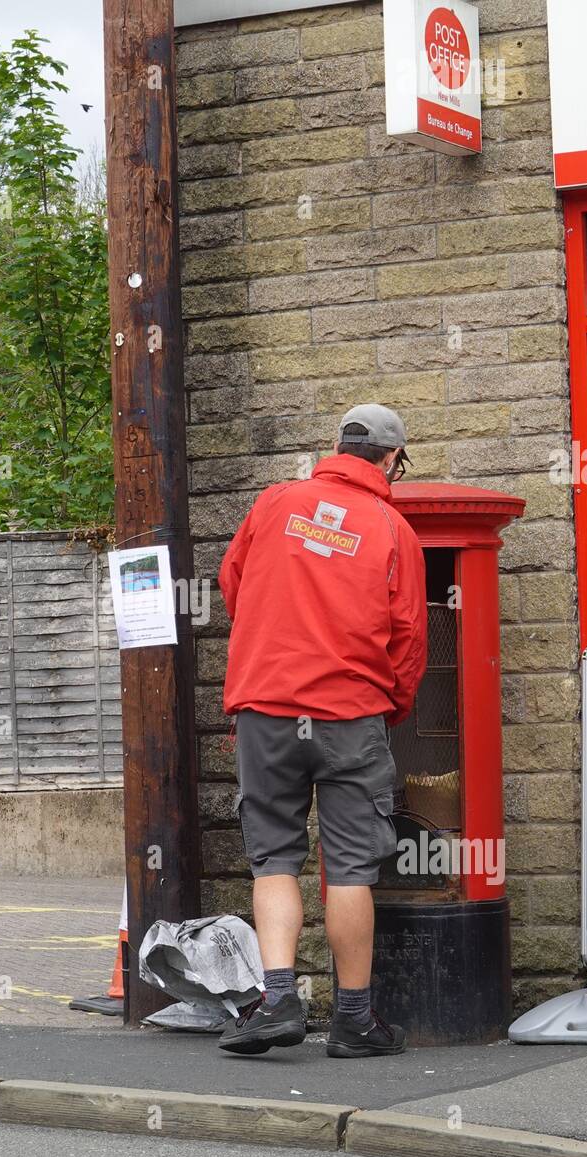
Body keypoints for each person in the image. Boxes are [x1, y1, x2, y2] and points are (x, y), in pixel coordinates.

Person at [217, 404, 428, 1059]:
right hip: (349, 714)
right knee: (352, 869)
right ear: (392, 458)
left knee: (274, 857)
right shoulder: (394, 530)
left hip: (266, 705)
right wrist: (385, 701)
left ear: (334, 445)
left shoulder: (276, 503)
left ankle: (277, 1002)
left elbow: (233, 585)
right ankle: (354, 1020)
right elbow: (410, 638)